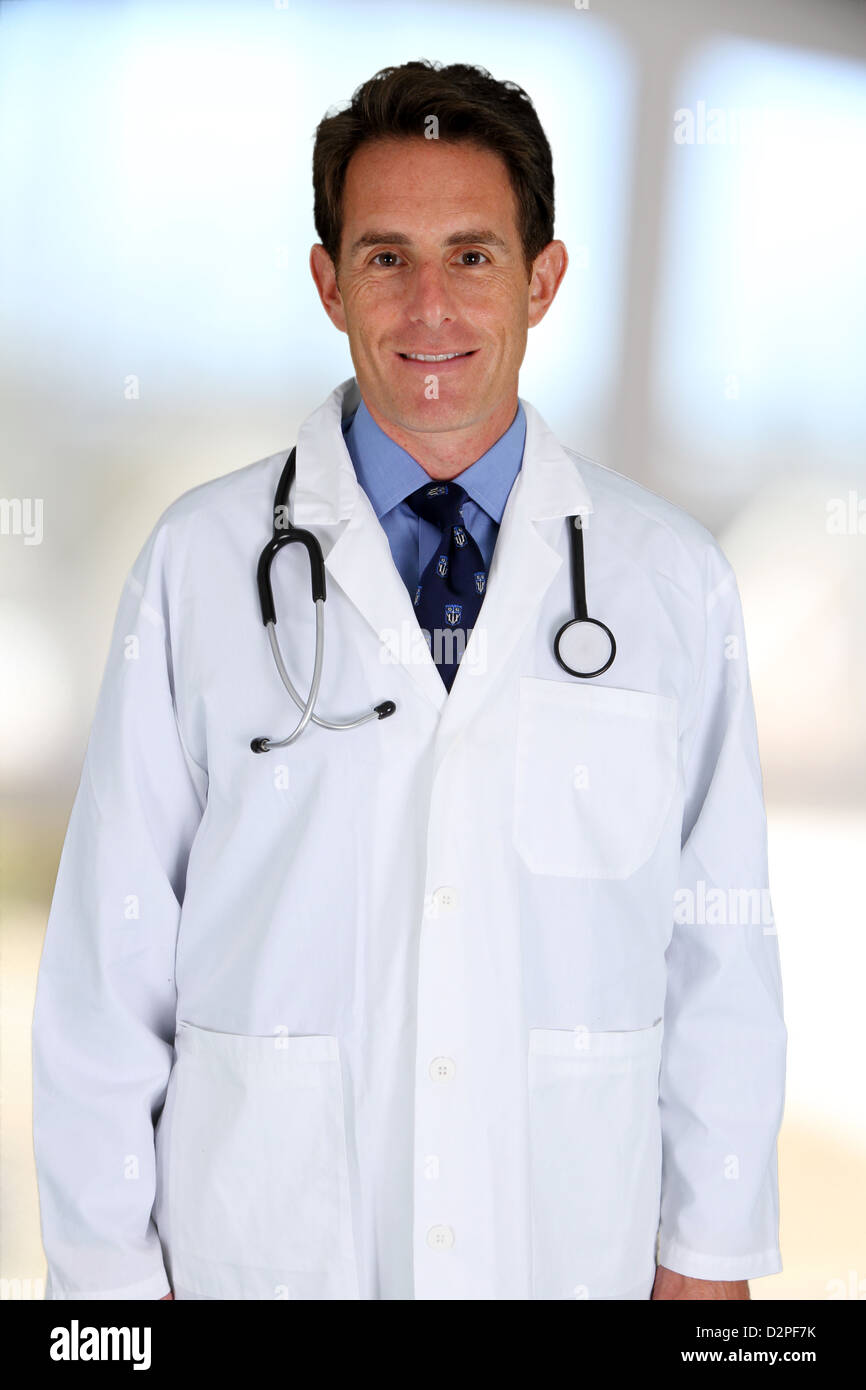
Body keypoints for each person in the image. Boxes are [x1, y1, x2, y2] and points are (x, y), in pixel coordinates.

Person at [31, 59, 786, 1302]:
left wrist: (706, 1269)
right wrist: (108, 1295)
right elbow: (109, 970)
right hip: (257, 1255)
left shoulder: (669, 582)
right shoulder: (197, 563)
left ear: (542, 279)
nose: (427, 304)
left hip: (563, 1249)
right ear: (328, 281)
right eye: (384, 256)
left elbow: (719, 961)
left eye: (472, 256)